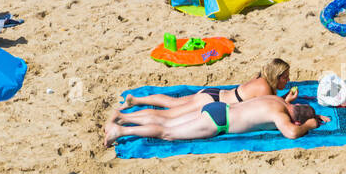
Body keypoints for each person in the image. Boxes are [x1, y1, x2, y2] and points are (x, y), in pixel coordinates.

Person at [104, 94, 325, 146]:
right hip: (219, 121)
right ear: (295, 119)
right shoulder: (280, 117)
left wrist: (315, 115)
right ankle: (120, 132)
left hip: (217, 106)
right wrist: (309, 125)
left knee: (167, 120)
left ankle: (122, 117)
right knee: (167, 132)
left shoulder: (277, 100)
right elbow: (291, 133)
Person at [120, 60, 292, 117]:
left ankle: (135, 100)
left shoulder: (260, 79)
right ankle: (126, 118)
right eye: (285, 77)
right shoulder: (264, 88)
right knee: (169, 114)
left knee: (173, 102)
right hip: (212, 101)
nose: (288, 80)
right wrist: (287, 101)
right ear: (275, 77)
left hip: (213, 94)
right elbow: (267, 109)